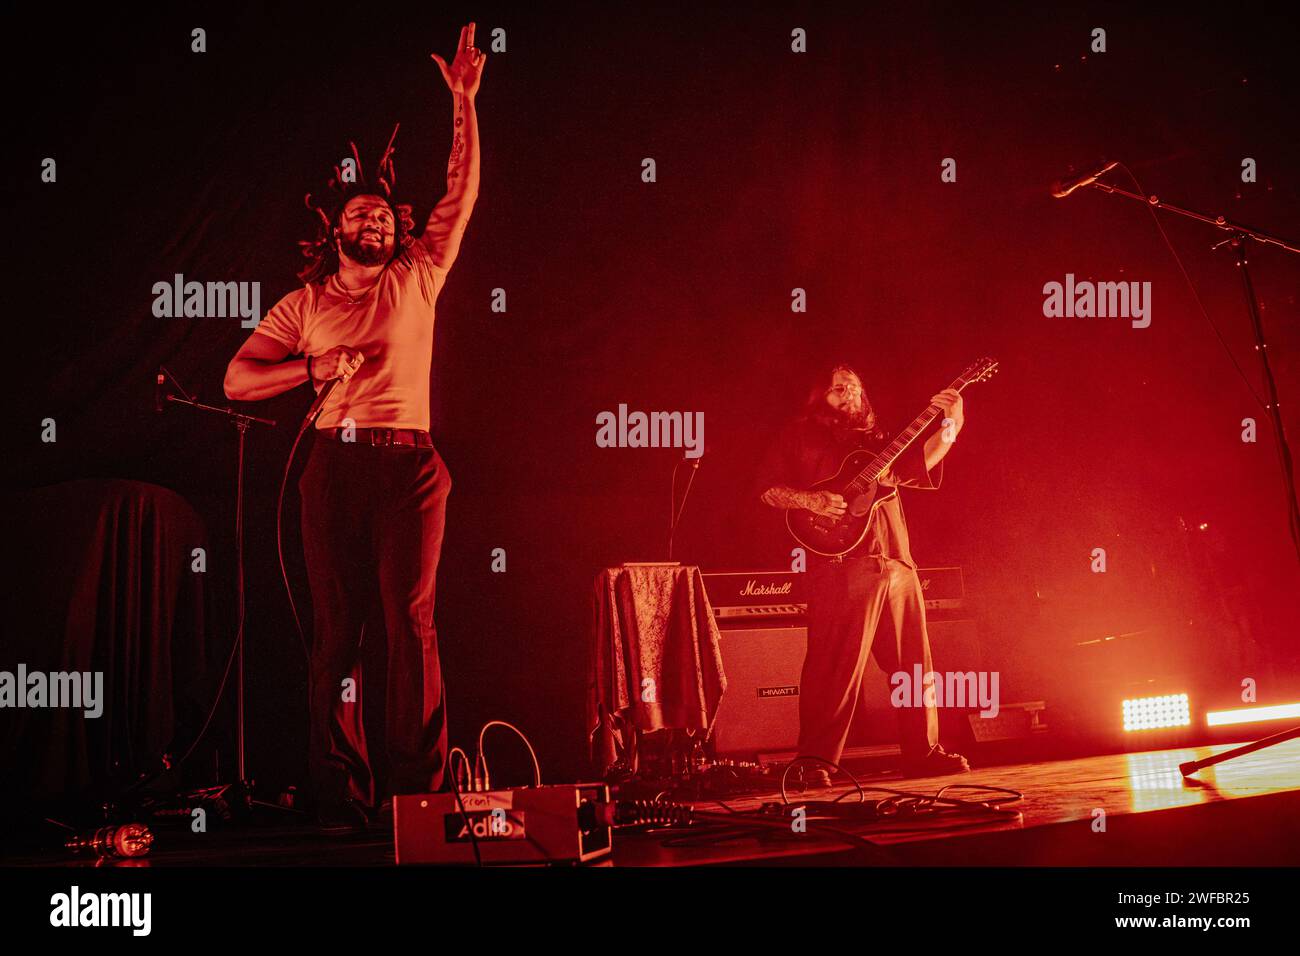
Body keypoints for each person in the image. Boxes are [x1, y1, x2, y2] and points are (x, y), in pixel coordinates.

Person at [223, 24, 485, 830]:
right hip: (333, 467)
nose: (372, 221)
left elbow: (461, 191)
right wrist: (311, 370)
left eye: (382, 215)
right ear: (336, 229)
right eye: (359, 213)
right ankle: (343, 794)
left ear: (393, 231)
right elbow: (236, 380)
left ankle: (421, 792)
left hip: (410, 466)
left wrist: (464, 103)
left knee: (409, 623)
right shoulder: (305, 306)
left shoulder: (418, 276)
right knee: (339, 632)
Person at [759, 364, 971, 786]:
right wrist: (811, 500)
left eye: (855, 386)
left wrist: (954, 422)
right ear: (820, 397)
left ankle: (923, 753)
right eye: (839, 388)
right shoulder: (798, 435)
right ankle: (815, 761)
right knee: (833, 665)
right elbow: (768, 489)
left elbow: (919, 464)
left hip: (895, 559)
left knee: (914, 667)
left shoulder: (880, 441)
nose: (850, 393)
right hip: (839, 564)